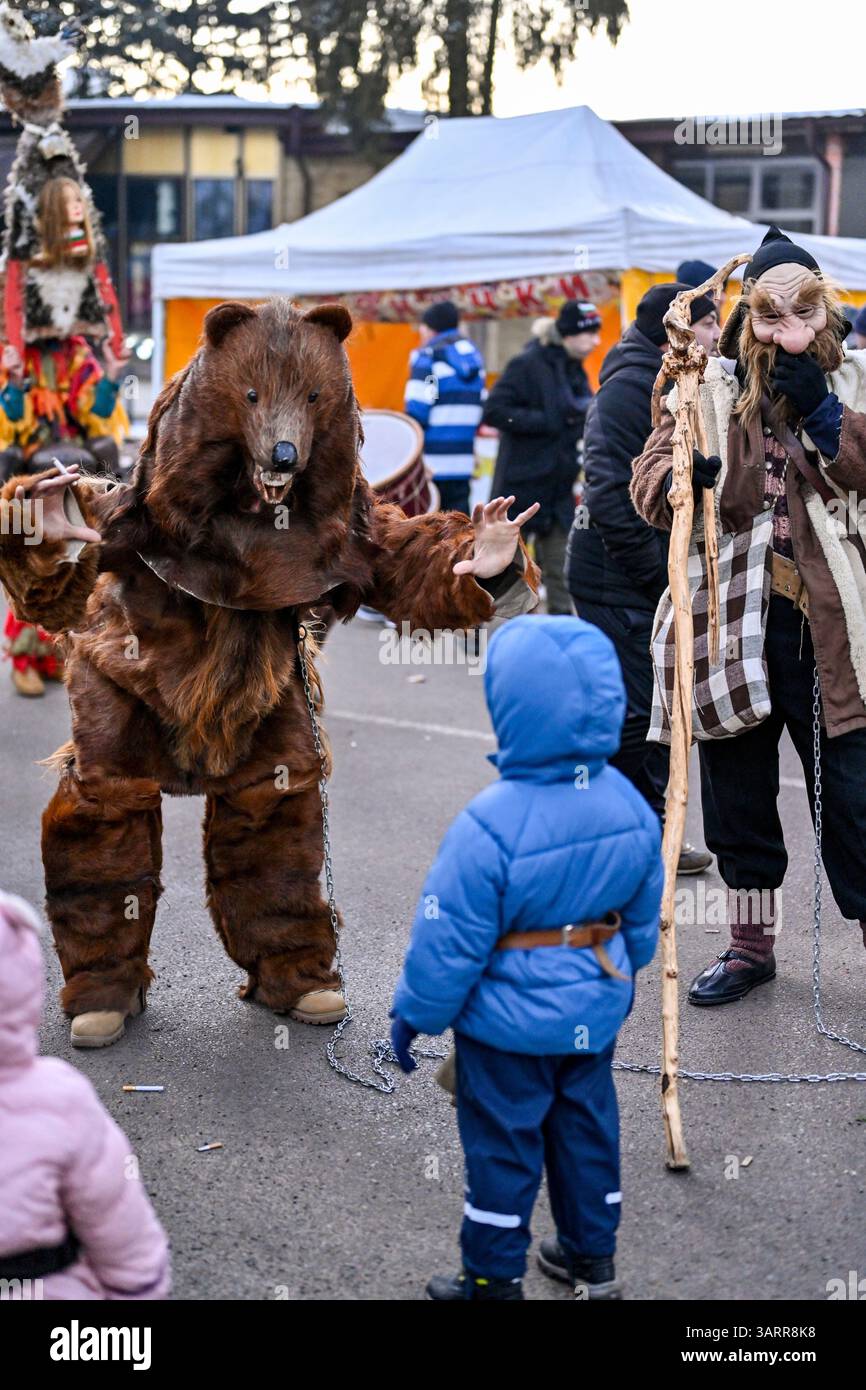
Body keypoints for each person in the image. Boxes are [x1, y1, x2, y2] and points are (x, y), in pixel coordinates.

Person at [390, 614, 663, 1301]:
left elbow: (447, 943)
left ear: (512, 708)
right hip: (590, 1017)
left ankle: (489, 1278)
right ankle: (590, 1261)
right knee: (587, 1136)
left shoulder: (488, 823)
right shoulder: (633, 809)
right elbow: (640, 922)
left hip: (504, 1034)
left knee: (502, 1153)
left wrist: (414, 1016)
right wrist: (617, 988)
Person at [632, 226, 866, 1006]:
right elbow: (648, 472)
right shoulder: (704, 385)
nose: (784, 330)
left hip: (832, 634)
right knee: (737, 799)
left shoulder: (858, 381)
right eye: (768, 316)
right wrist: (684, 480)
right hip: (732, 623)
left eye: (800, 312)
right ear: (748, 318)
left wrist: (827, 418)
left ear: (823, 311)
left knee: (856, 798)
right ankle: (749, 946)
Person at [567, 283, 718, 873]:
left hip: (647, 574)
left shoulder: (677, 382)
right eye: (708, 324)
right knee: (635, 713)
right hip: (616, 578)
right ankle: (623, 838)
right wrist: (662, 574)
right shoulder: (631, 387)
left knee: (656, 709)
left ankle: (648, 830)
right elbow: (609, 496)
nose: (714, 336)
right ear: (675, 333)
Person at [0, 889, 170, 1299]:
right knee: (89, 830)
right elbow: (113, 1213)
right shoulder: (60, 1100)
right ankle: (101, 973)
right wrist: (139, 1286)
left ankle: (290, 958)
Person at [483, 300, 601, 613]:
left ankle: (560, 637)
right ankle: (488, 630)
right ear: (567, 333)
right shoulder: (528, 363)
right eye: (588, 333)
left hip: (557, 488)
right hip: (521, 485)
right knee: (507, 569)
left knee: (561, 570)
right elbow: (495, 411)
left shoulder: (573, 367)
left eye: (596, 333)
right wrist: (544, 422)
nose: (595, 341)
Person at [404, 299, 486, 516]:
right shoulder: (475, 362)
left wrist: (412, 457)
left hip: (431, 465)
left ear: (430, 328)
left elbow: (418, 409)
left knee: (429, 537)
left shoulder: (428, 359)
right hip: (462, 463)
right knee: (459, 533)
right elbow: (480, 408)